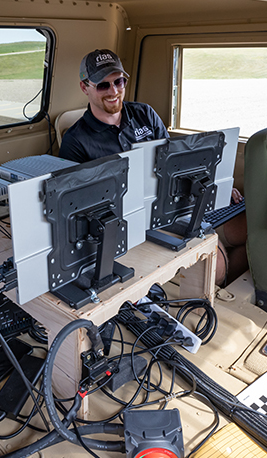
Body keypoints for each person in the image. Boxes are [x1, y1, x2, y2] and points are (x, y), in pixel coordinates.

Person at [59, 49, 246, 284]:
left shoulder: (144, 114)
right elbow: (76, 207)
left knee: (250, 229)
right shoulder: (75, 141)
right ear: (85, 87)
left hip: (173, 203)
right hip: (132, 222)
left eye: (119, 81)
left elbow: (176, 163)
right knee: (216, 266)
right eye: (103, 85)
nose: (114, 91)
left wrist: (216, 186)